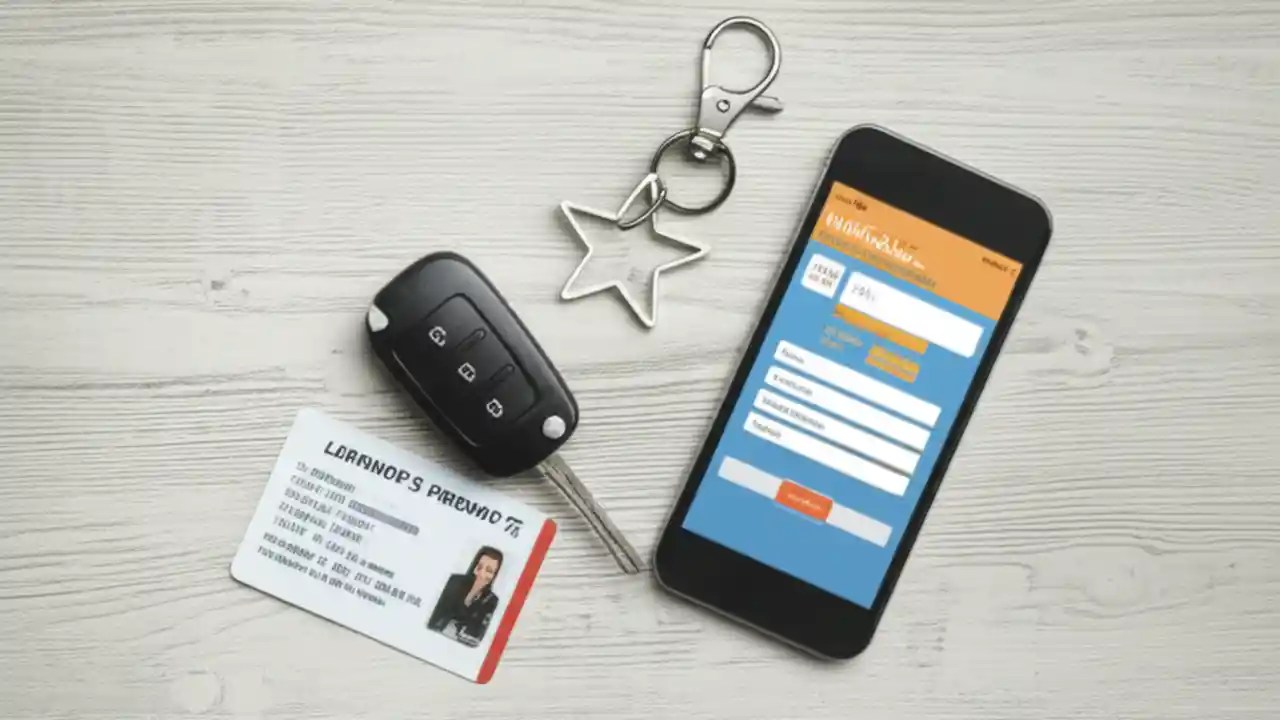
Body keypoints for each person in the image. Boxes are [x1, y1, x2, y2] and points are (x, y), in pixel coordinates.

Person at [426, 546, 503, 646]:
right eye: (479, 567)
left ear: (494, 575)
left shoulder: (492, 600)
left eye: (489, 571)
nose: (482, 574)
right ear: (473, 566)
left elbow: (479, 633)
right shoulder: (454, 582)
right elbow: (436, 615)